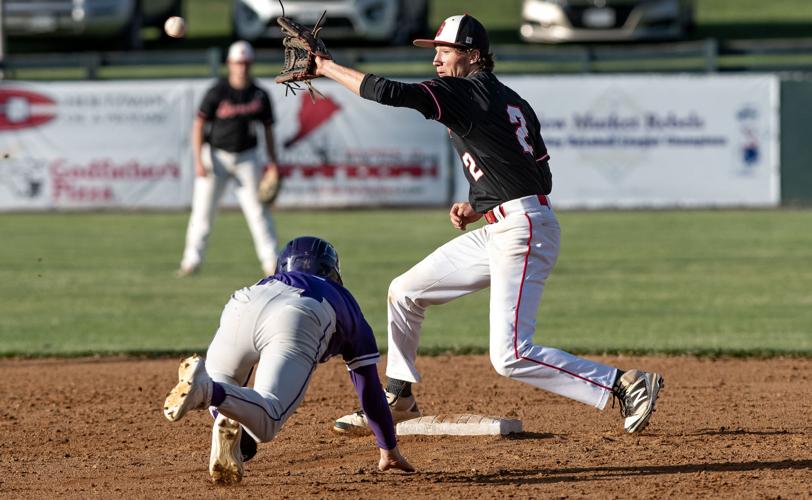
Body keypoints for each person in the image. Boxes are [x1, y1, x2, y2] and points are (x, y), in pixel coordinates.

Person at [315, 14, 664, 435]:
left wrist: (326, 68)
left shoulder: (462, 92)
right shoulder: (514, 101)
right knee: (405, 292)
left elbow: (387, 92)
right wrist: (481, 205)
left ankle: (624, 384)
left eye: (445, 51)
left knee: (511, 355)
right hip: (505, 224)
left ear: (472, 55)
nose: (437, 61)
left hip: (521, 229)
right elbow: (542, 177)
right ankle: (400, 395)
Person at [163, 236, 414, 484]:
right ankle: (207, 391)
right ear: (332, 271)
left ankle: (222, 413)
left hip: (243, 302)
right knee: (268, 418)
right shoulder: (342, 298)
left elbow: (241, 375)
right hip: (298, 313)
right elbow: (368, 388)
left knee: (229, 387)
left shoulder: (268, 281)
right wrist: (388, 448)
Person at [178, 40, 280, 277]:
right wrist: (198, 160)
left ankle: (270, 263)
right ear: (229, 64)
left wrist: (273, 163)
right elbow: (199, 124)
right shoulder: (218, 91)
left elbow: (268, 130)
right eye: (237, 63)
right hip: (216, 156)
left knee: (258, 212)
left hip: (248, 157)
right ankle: (191, 261)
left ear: (251, 64)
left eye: (245, 63)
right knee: (203, 213)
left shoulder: (259, 94)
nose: (241, 68)